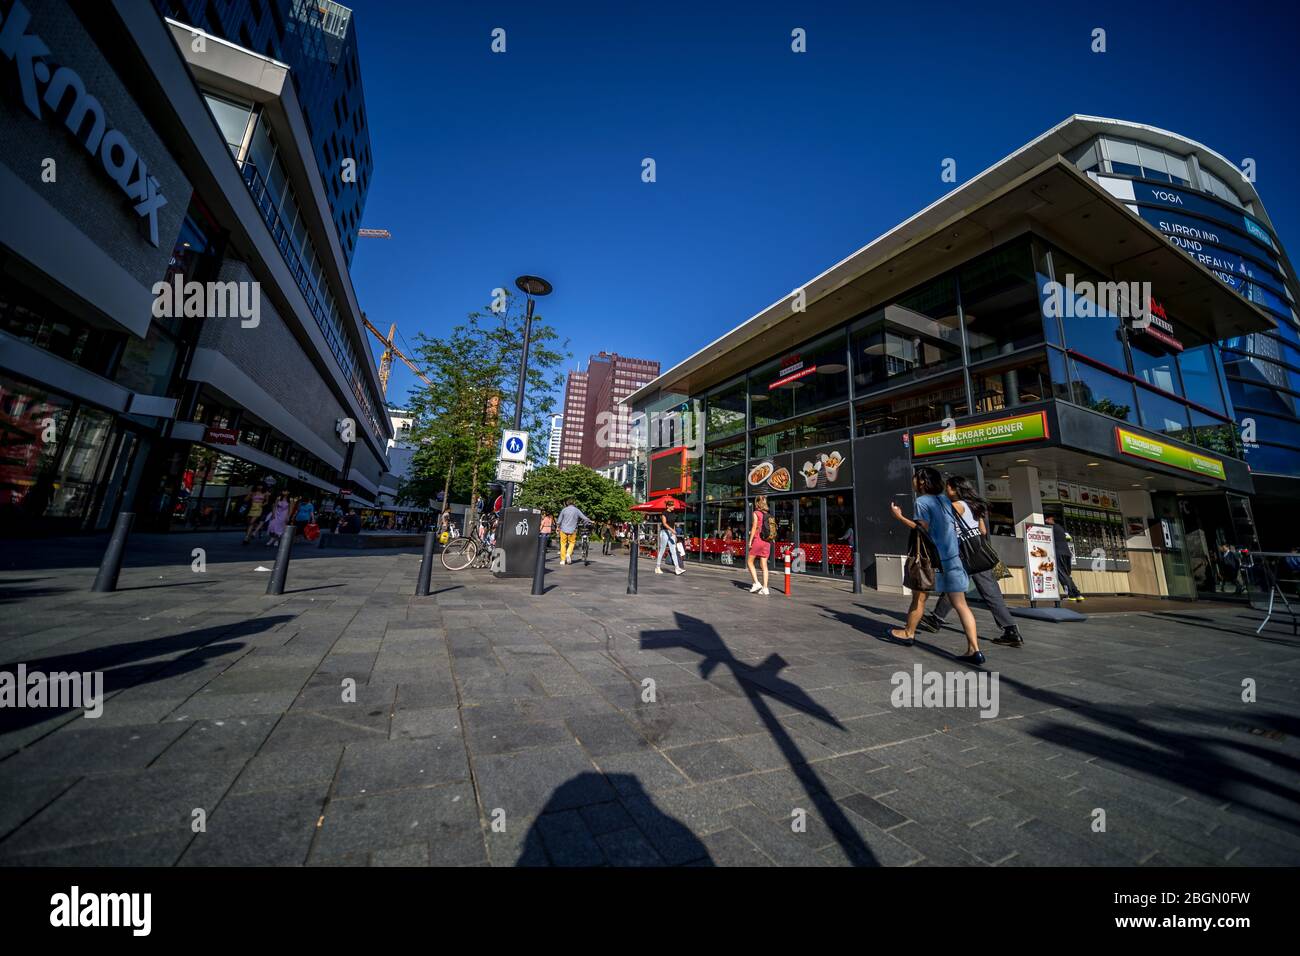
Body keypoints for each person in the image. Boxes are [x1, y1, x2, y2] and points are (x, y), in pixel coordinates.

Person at [888, 466, 984, 664]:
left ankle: (908, 632)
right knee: (961, 605)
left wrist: (899, 517)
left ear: (922, 482)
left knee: (919, 599)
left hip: (933, 560)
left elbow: (922, 529)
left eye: (915, 479)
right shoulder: (947, 500)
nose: (913, 482)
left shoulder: (923, 501)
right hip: (954, 558)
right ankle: (975, 649)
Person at [920, 475, 1024, 647]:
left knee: (975, 590)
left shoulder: (957, 506)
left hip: (966, 555)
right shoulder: (975, 506)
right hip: (978, 553)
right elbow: (982, 531)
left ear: (955, 489)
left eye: (948, 487)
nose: (946, 490)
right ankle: (936, 619)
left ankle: (1010, 630)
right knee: (967, 588)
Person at [1046, 515, 1083, 601]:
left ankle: (1071, 595)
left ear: (1051, 519)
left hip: (1059, 553)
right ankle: (1077, 594)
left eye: (1047, 519)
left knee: (1062, 575)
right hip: (1067, 554)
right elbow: (1068, 538)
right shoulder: (1061, 528)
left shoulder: (1051, 528)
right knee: (1067, 575)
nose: (1045, 521)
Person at [746, 495, 772, 594]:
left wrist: (750, 541)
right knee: (764, 565)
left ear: (757, 503)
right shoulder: (768, 515)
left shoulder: (756, 513)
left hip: (758, 540)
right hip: (767, 542)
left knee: (749, 561)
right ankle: (765, 588)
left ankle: (756, 583)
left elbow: (754, 528)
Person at [556, 498, 592, 565]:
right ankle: (568, 554)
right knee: (571, 543)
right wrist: (590, 521)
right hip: (572, 530)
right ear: (574, 503)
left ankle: (563, 560)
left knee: (563, 544)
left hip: (563, 529)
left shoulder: (564, 510)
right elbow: (584, 518)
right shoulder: (577, 510)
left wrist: (557, 527)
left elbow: (559, 520)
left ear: (567, 503)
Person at [656, 501, 684, 575]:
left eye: (673, 505)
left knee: (673, 550)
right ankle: (657, 567)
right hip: (664, 532)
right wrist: (672, 530)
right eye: (672, 505)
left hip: (671, 533)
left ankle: (677, 568)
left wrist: (674, 534)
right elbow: (664, 523)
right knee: (662, 549)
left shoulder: (673, 514)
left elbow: (673, 524)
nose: (673, 507)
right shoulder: (664, 513)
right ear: (667, 506)